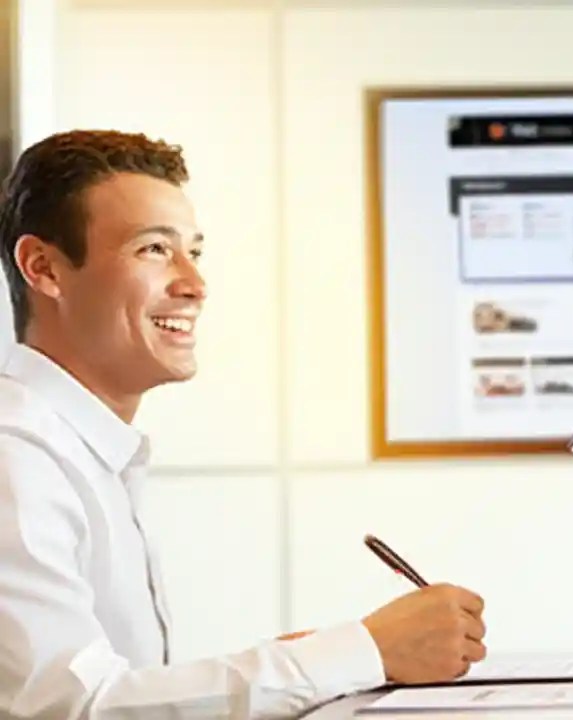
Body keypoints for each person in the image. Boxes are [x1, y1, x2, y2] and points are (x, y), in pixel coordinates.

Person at [0, 130, 487, 719]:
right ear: (44, 268)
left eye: (193, 252)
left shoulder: (82, 449)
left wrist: (320, 665)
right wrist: (364, 651)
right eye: (153, 249)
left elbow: (115, 689)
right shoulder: (16, 453)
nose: (193, 284)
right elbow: (71, 709)